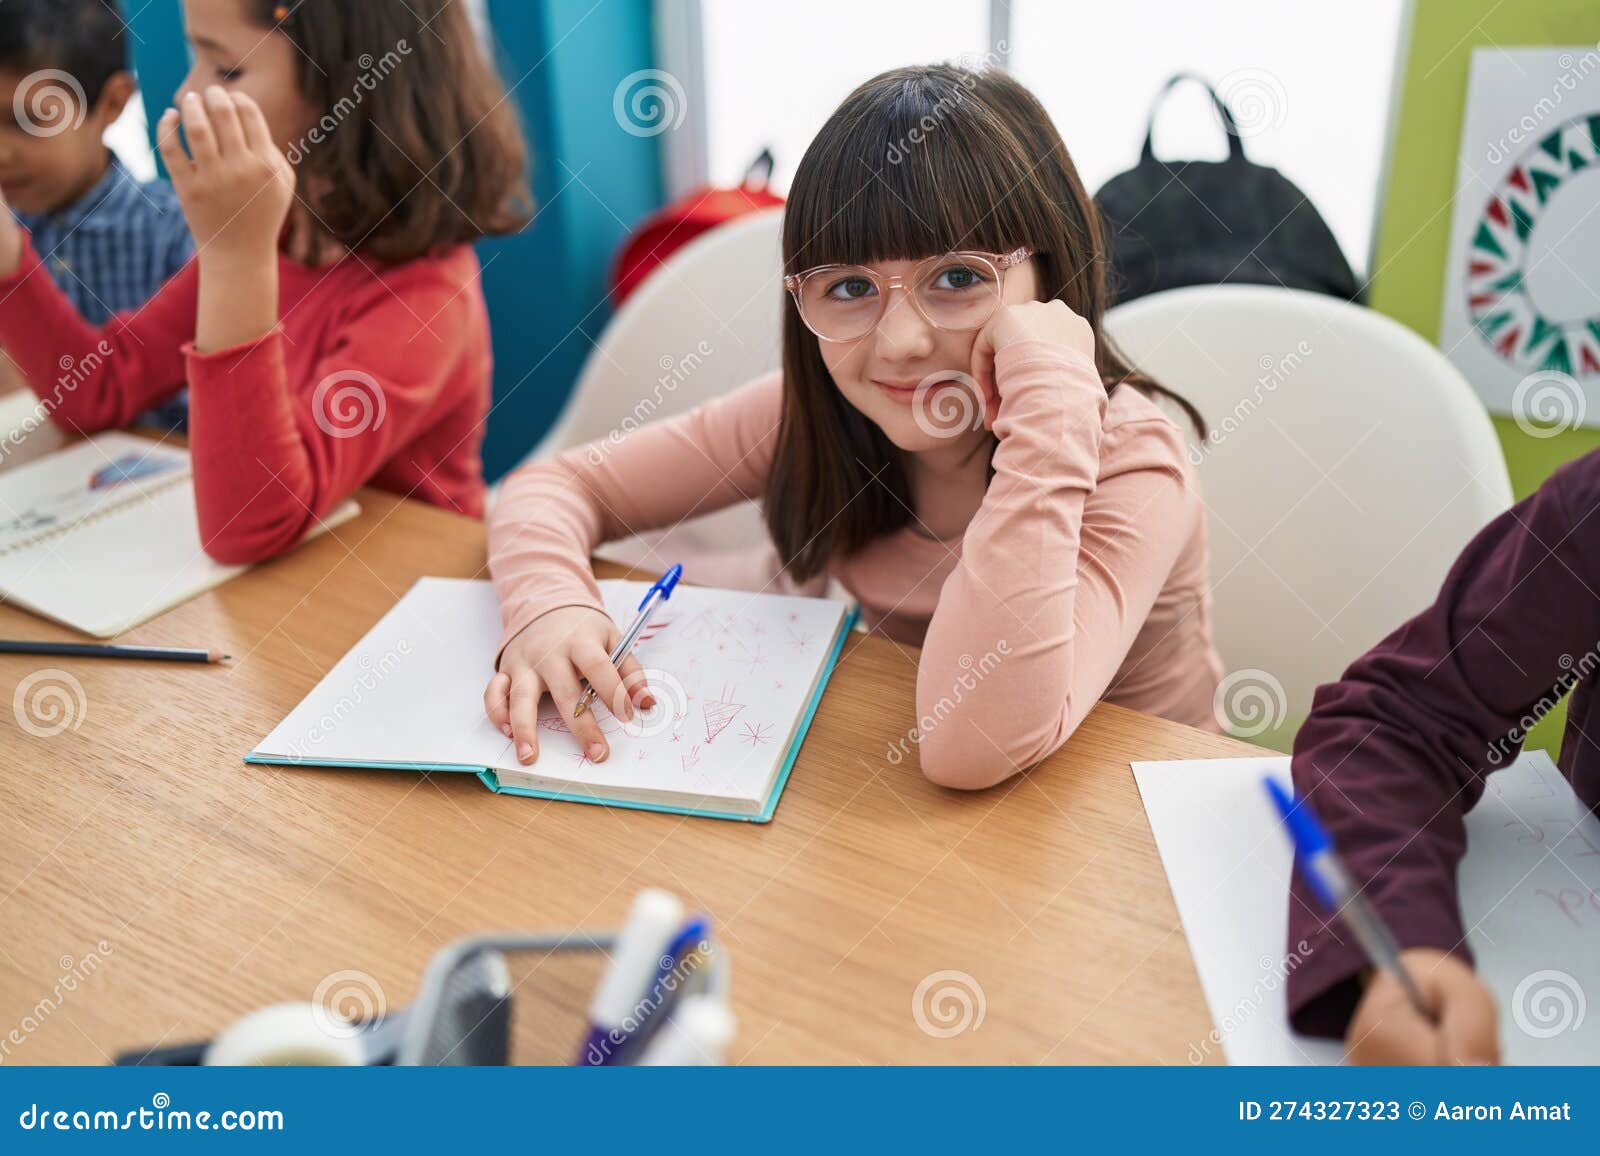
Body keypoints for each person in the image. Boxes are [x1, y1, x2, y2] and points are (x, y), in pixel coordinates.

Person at [484, 65, 1223, 786]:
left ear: (1053, 278)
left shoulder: (1128, 463)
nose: (900, 342)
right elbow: (556, 486)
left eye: (960, 277)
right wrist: (550, 603)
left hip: (1125, 825)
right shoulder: (819, 412)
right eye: (849, 287)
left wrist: (1053, 416)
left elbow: (972, 747)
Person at [0, 0, 530, 561]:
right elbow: (94, 392)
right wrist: (10, 262)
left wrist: (235, 258)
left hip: (400, 590)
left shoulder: (425, 296)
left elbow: (249, 524)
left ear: (352, 88)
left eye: (227, 70)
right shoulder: (282, 234)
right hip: (286, 588)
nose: (186, 95)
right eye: (195, 58)